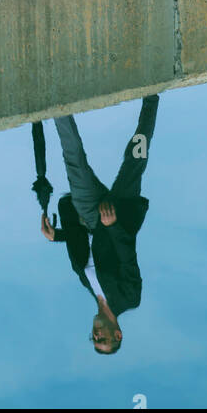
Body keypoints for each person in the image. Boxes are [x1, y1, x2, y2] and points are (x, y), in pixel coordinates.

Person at [41, 95, 159, 353]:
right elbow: (128, 256)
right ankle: (152, 97)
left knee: (74, 163)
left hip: (92, 217)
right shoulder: (130, 298)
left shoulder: (88, 285)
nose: (96, 335)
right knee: (136, 156)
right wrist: (114, 223)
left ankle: (59, 106)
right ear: (117, 333)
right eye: (103, 339)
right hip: (120, 216)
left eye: (94, 340)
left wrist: (57, 236)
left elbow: (85, 243)